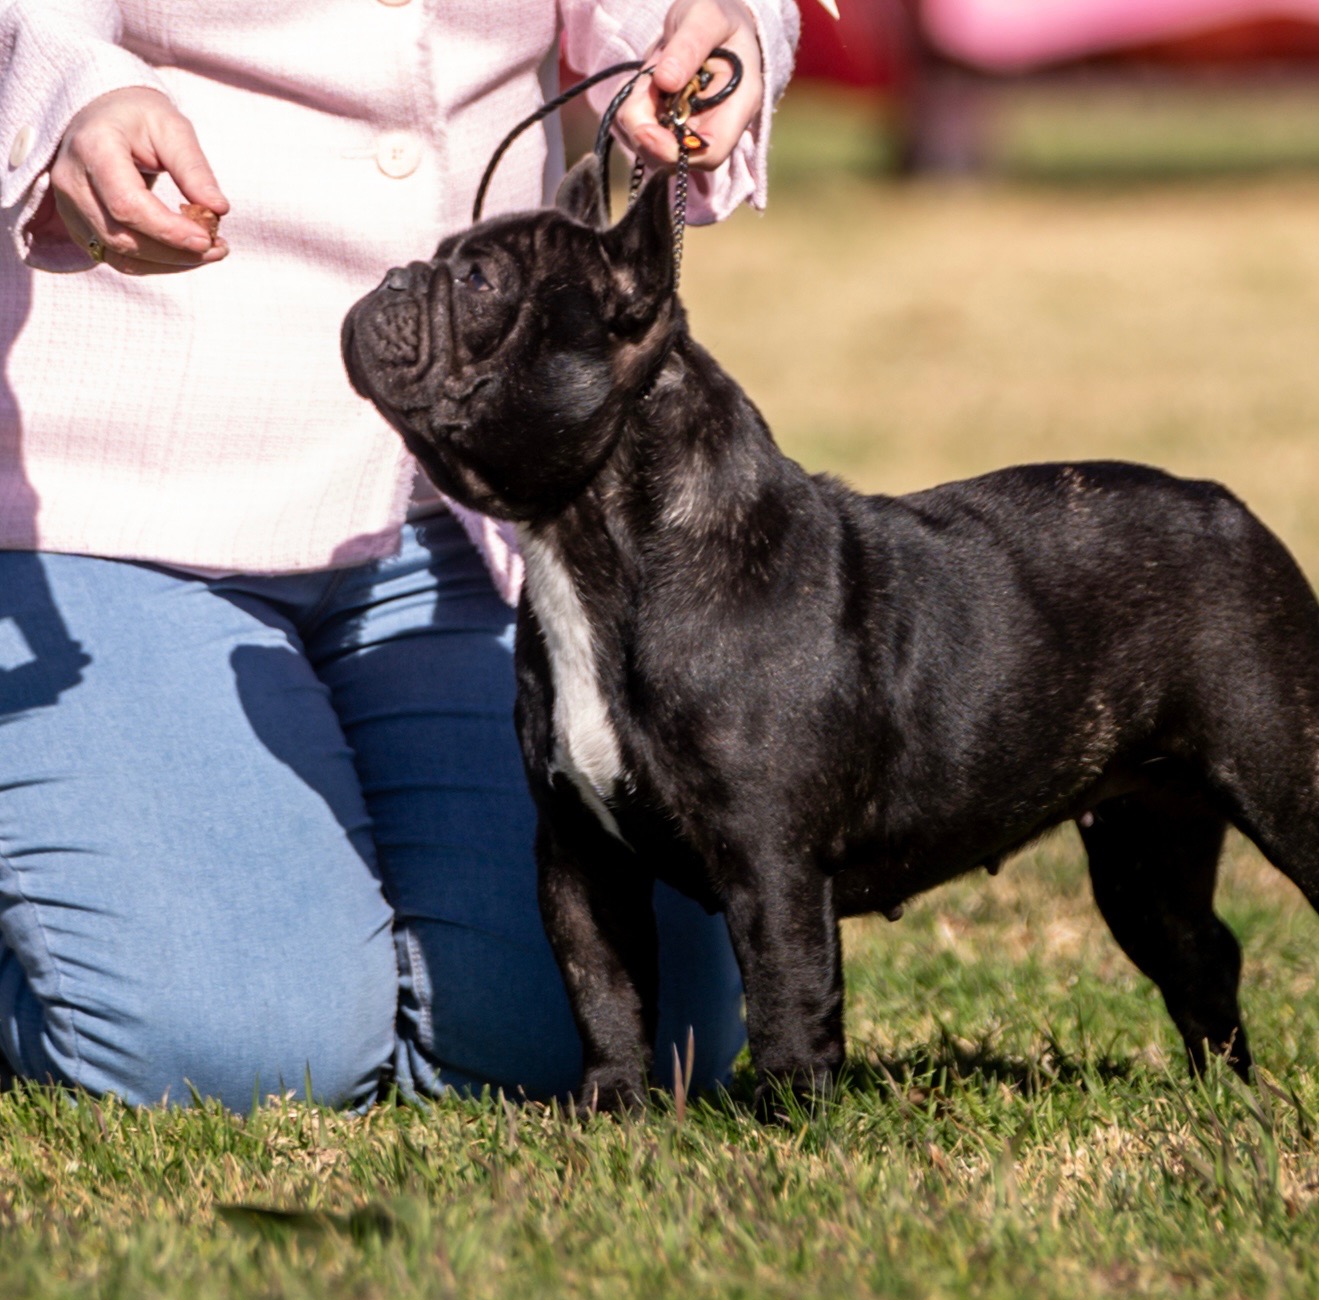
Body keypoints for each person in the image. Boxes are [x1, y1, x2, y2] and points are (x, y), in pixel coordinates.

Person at [0, 0, 801, 1109]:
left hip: (465, 510)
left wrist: (711, 33)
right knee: (234, 1048)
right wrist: (60, 92)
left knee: (632, 1031)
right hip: (109, 495)